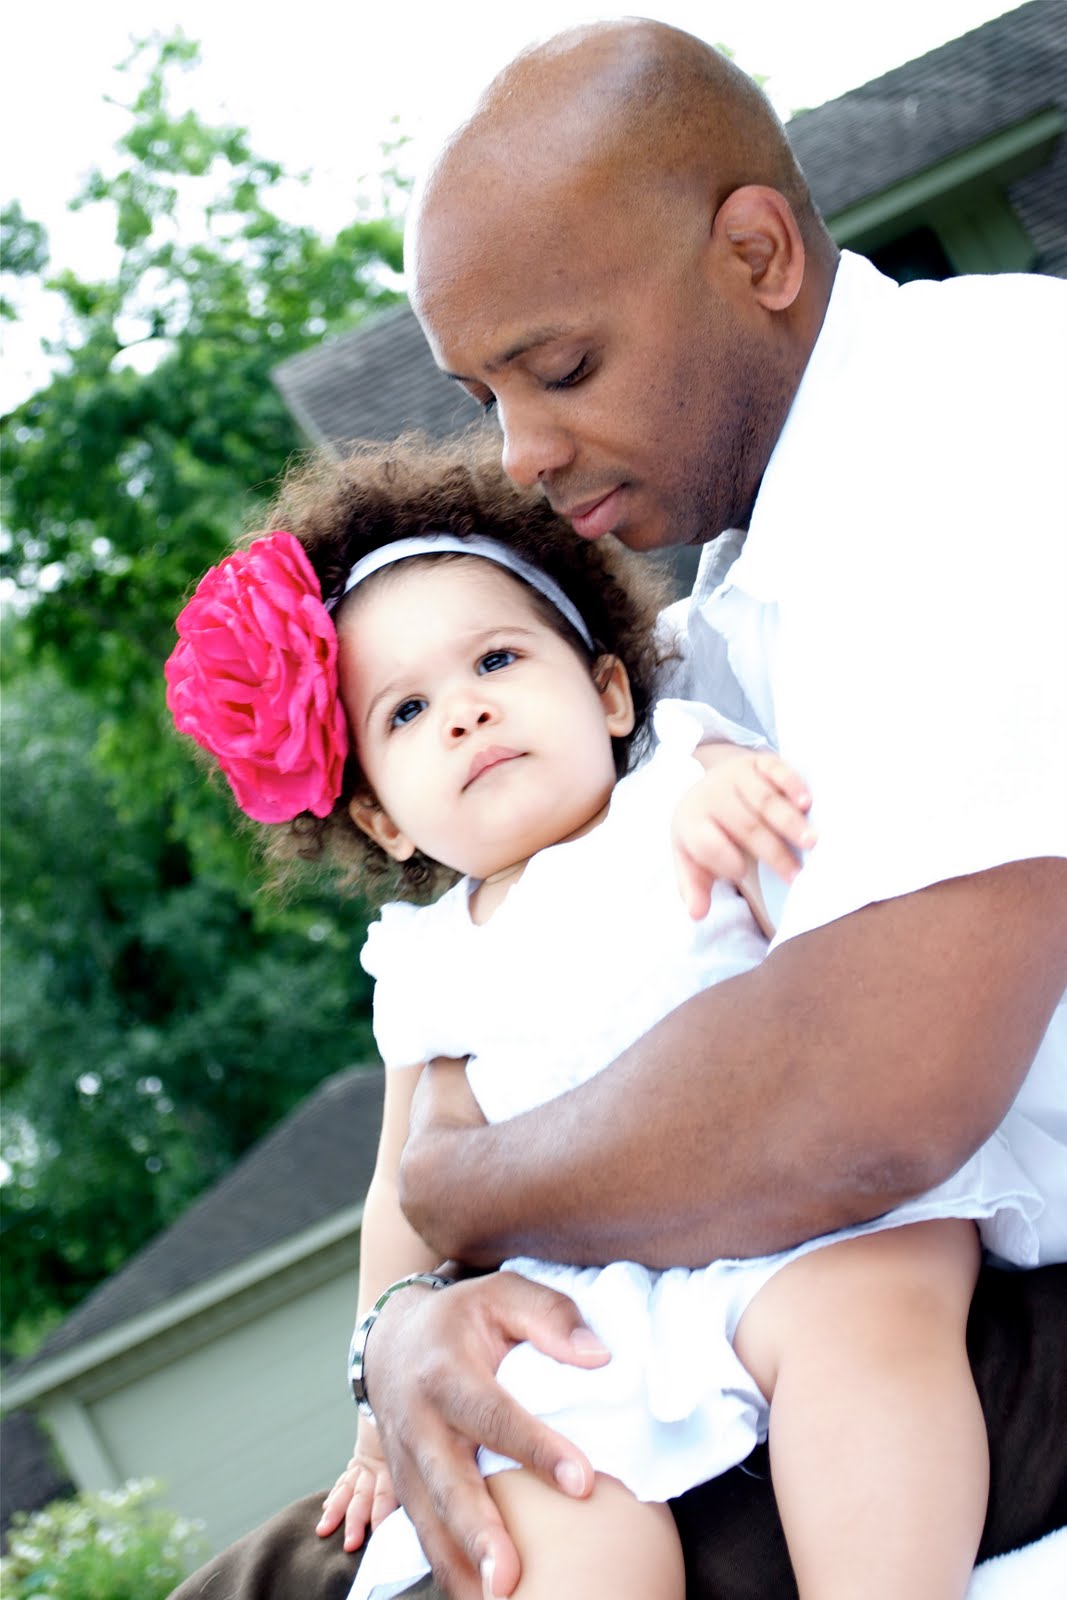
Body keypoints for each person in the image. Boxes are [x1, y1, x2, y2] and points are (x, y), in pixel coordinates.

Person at [169, 19, 1067, 1600]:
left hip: (949, 1302)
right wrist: (404, 1322)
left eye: (564, 367)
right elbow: (455, 1093)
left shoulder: (983, 426)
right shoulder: (721, 604)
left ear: (757, 252)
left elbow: (873, 1099)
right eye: (484, 393)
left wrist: (459, 1196)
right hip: (695, 1296)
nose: (522, 453)